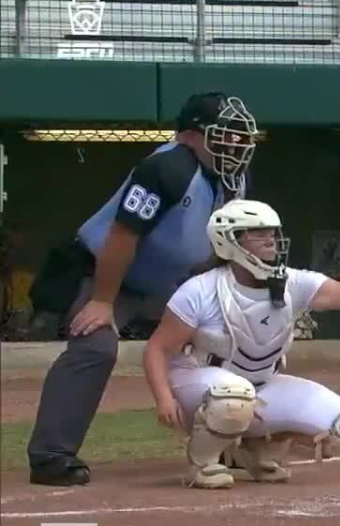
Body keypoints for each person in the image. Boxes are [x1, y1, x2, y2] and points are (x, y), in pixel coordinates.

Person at [142, 199, 340, 489]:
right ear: (231, 241)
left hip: (260, 383)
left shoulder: (291, 282)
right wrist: (163, 399)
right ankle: (203, 464)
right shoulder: (200, 291)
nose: (271, 239)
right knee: (234, 397)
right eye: (258, 233)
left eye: (272, 232)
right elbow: (157, 348)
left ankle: (254, 450)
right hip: (197, 383)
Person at [25, 92, 259, 487]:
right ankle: (51, 455)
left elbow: (218, 246)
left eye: (239, 138)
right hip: (101, 272)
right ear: (189, 137)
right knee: (95, 346)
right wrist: (103, 301)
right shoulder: (165, 168)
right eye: (223, 136)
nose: (233, 146)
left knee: (232, 334)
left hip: (165, 282)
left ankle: (224, 441)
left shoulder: (232, 179)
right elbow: (122, 236)